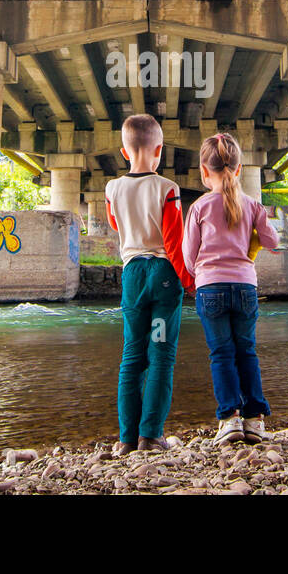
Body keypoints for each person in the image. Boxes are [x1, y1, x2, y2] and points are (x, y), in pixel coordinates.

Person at [104, 114, 193, 455]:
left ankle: (126, 439)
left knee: (131, 357)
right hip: (164, 276)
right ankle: (151, 435)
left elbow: (115, 223)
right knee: (161, 355)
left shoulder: (112, 188)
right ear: (159, 150)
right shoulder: (168, 189)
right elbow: (174, 240)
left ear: (125, 152)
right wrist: (190, 282)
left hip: (132, 276)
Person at [183, 133, 280, 445]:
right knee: (246, 351)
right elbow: (273, 243)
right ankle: (255, 421)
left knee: (221, 354)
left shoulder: (198, 208)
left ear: (203, 171)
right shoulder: (252, 205)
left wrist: (199, 275)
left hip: (210, 288)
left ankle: (229, 420)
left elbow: (188, 256)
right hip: (244, 288)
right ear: (239, 170)